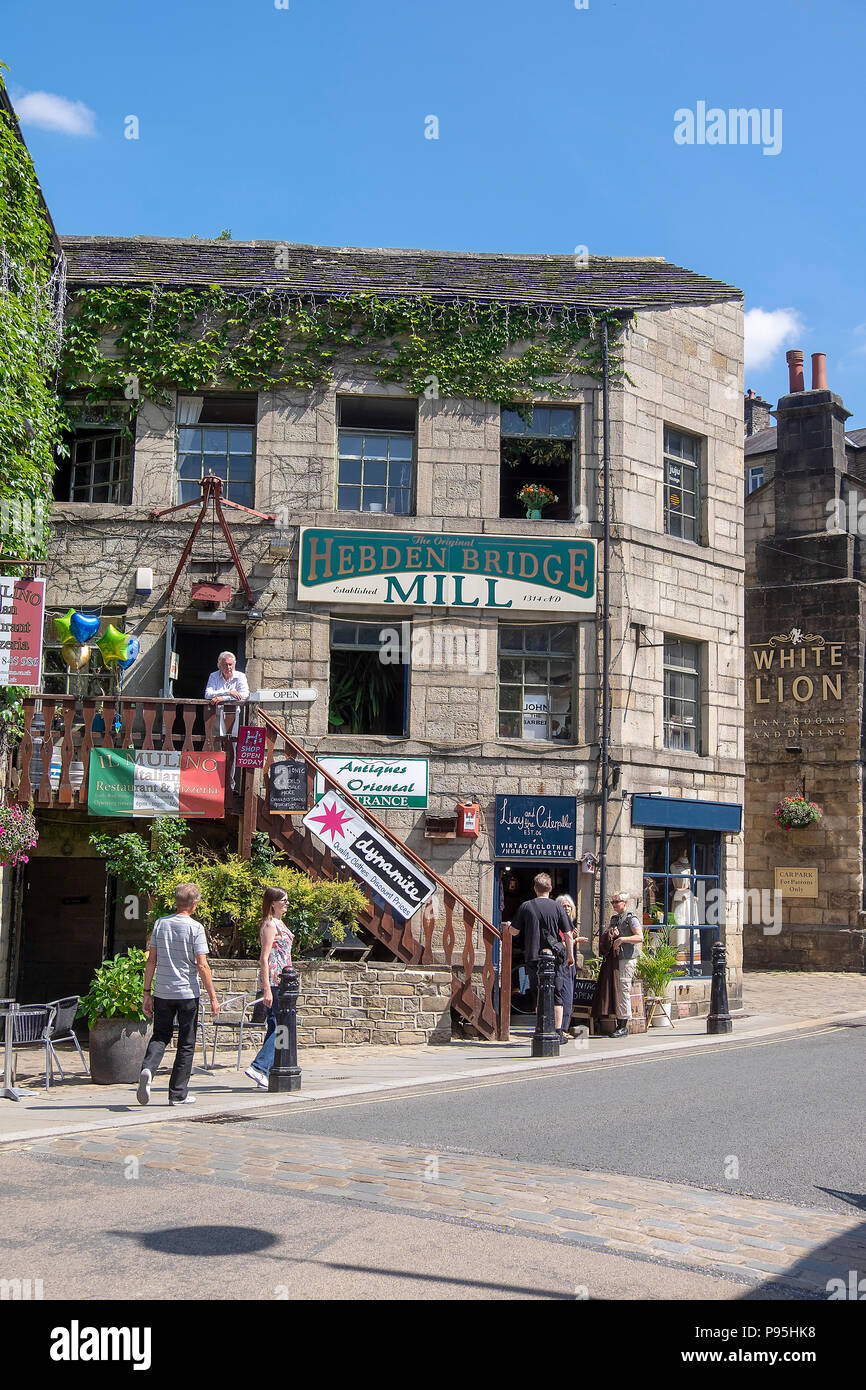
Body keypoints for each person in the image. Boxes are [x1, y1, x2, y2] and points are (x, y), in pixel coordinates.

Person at [137, 882, 220, 1106]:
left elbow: (151, 961)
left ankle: (148, 1069)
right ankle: (177, 1094)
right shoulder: (196, 928)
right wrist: (213, 997)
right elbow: (202, 965)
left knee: (160, 1035)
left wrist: (147, 992)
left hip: (163, 991)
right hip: (187, 993)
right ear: (193, 905)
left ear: (176, 901)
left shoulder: (160, 924)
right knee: (186, 1043)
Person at [513, 873, 574, 1043]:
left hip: (534, 957)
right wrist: (570, 955)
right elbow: (568, 934)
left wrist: (508, 929)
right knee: (556, 994)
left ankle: (541, 1028)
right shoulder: (558, 908)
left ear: (534, 888)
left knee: (538, 993)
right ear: (550, 889)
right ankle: (557, 1032)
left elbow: (515, 932)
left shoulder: (526, 906)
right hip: (555, 957)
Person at [245, 887, 293, 1089]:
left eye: (287, 900)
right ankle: (259, 1066)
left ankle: (269, 1070)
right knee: (284, 1027)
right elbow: (264, 959)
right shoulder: (270, 925)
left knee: (275, 1026)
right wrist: (266, 988)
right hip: (275, 981)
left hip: (285, 980)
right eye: (283, 900)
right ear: (272, 903)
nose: (287, 903)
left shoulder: (280, 923)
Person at [607, 890, 644, 1038]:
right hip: (615, 958)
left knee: (623, 989)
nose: (614, 904)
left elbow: (639, 937)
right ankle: (619, 1022)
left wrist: (622, 939)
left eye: (617, 902)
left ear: (625, 903)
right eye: (613, 902)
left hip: (627, 958)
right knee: (618, 990)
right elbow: (609, 935)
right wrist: (612, 934)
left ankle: (623, 1025)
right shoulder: (614, 918)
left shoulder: (631, 918)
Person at [555, 893, 587, 1035]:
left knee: (568, 997)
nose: (567, 908)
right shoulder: (558, 924)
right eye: (564, 906)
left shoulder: (570, 924)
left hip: (569, 965)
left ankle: (564, 1028)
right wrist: (574, 940)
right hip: (562, 964)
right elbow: (560, 945)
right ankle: (560, 1028)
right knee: (564, 996)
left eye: (569, 906)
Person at [205, 652, 249, 738]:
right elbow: (207, 694)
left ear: (234, 664)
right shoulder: (214, 676)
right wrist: (228, 692)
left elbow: (244, 695)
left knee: (232, 741)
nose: (228, 667)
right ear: (220, 665)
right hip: (216, 713)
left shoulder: (240, 676)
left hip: (233, 714)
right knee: (216, 741)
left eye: (230, 664)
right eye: (225, 665)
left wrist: (223, 698)